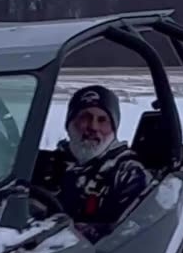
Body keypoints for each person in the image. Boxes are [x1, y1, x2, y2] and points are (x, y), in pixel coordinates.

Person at [40, 85, 150, 243]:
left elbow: (133, 232)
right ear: (70, 123)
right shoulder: (45, 165)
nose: (93, 127)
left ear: (113, 127)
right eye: (85, 117)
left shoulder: (128, 173)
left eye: (102, 120)